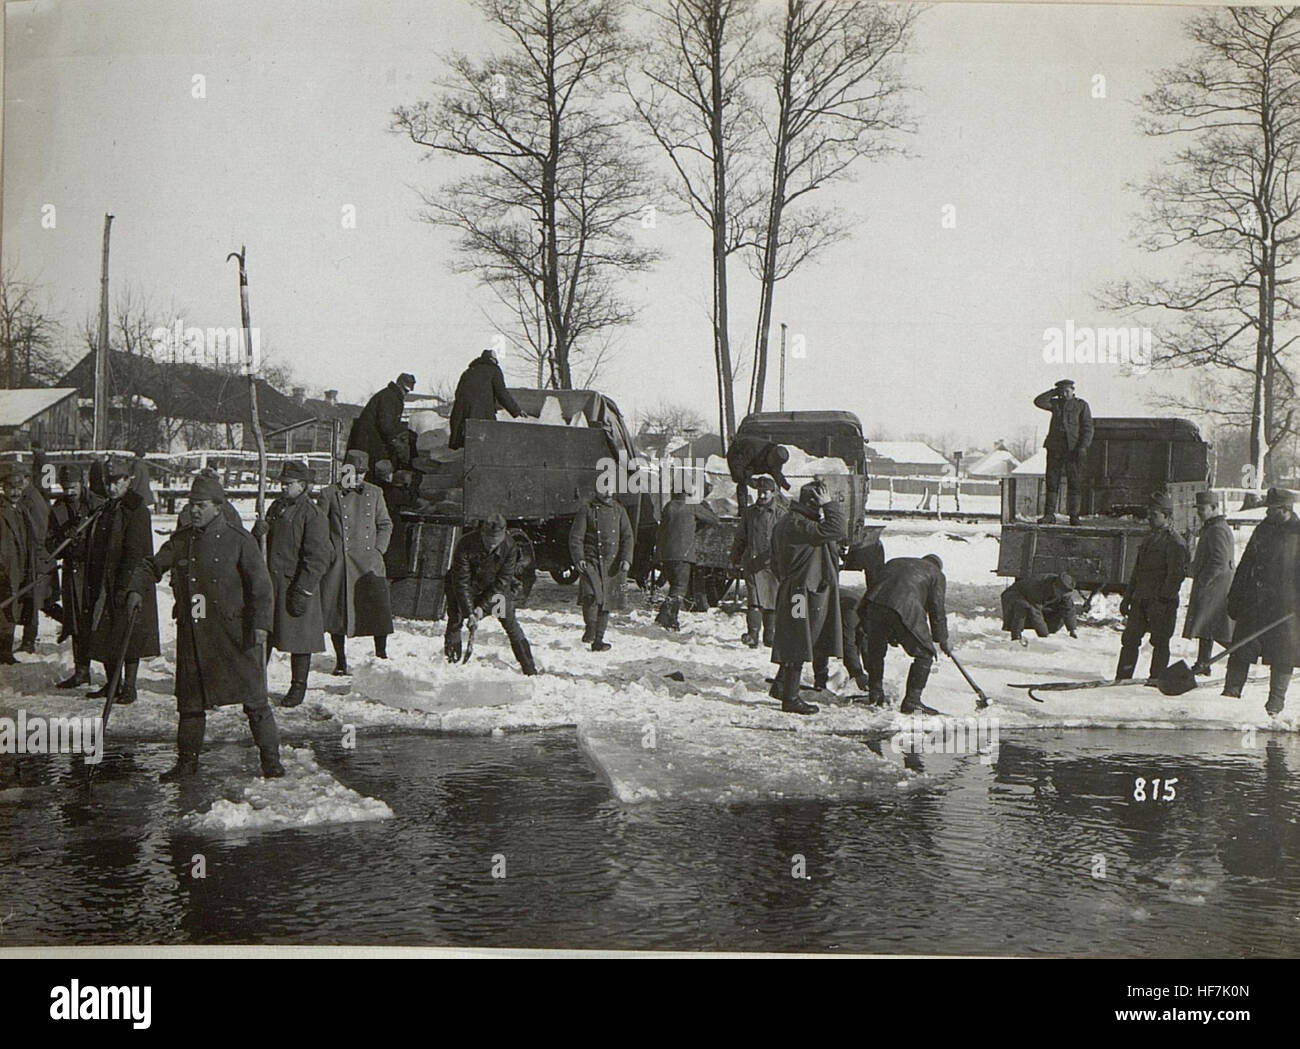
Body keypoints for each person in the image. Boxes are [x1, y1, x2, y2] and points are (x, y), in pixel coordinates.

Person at [127, 473, 284, 780]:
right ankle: (187, 764)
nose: (194, 511)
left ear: (218, 507)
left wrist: (261, 625)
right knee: (190, 704)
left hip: (234, 636)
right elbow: (152, 565)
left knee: (255, 702)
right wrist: (135, 588)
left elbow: (262, 588)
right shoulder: (183, 540)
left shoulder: (240, 540)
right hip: (195, 635)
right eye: (192, 505)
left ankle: (271, 761)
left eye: (200, 505)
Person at [85, 459, 161, 703]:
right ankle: (112, 684)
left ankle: (129, 686)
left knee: (129, 632)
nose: (112, 487)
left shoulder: (136, 509)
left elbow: (136, 551)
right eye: (109, 482)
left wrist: (127, 585)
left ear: (128, 480)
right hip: (106, 581)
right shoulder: (107, 509)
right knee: (108, 632)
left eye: (117, 481)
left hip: (130, 582)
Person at [257, 460, 332, 707]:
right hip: (272, 584)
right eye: (281, 484)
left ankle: (298, 686)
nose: (283, 488)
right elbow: (263, 544)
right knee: (263, 633)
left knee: (300, 639)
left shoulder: (312, 515)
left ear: (303, 485)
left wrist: (304, 589)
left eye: (288, 484)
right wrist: (259, 532)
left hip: (296, 585)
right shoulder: (277, 508)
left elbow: (318, 557)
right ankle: (255, 683)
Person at [770, 480, 844, 716]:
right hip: (799, 594)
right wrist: (830, 505)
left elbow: (774, 562)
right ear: (814, 502)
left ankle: (781, 687)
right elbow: (838, 529)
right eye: (820, 502)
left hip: (797, 588)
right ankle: (790, 698)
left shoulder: (788, 522)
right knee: (797, 640)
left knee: (798, 637)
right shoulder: (798, 524)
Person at [1223, 487, 1300, 715]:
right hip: (1254, 603)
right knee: (1240, 650)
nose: (1267, 513)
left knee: (1283, 656)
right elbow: (1246, 564)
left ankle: (1275, 707)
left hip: (1285, 607)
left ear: (1285, 510)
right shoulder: (1263, 529)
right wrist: (1235, 596)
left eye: (1272, 509)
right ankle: (1229, 698)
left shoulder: (1298, 533)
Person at [318, 449, 393, 674]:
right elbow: (319, 528)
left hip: (369, 562)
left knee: (378, 611)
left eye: (361, 473)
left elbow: (385, 524)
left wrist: (378, 550)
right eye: (353, 472)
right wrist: (331, 552)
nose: (357, 477)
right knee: (338, 613)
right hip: (340, 563)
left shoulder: (375, 493)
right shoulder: (329, 494)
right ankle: (340, 661)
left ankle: (381, 655)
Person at [444, 514, 537, 675]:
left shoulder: (510, 546)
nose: (491, 546)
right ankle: (451, 664)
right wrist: (469, 613)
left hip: (495, 590)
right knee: (455, 620)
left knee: (511, 624)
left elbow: (502, 582)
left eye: (496, 542)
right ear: (482, 534)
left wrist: (481, 608)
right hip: (464, 589)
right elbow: (461, 581)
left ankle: (529, 668)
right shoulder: (465, 543)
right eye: (488, 541)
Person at [860, 553, 951, 714]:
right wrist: (942, 639)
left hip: (874, 604)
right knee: (924, 654)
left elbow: (875, 584)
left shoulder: (895, 562)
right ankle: (912, 701)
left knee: (876, 650)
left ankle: (875, 692)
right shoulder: (936, 574)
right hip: (904, 607)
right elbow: (937, 609)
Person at [1116, 491, 1189, 682]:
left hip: (1161, 602)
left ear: (1167, 516)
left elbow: (1176, 575)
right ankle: (1123, 678)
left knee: (1160, 642)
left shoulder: (1175, 542)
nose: (1149, 517)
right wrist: (1127, 596)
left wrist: (1163, 599)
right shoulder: (1149, 537)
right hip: (1140, 599)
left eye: (1154, 514)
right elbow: (1137, 571)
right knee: (1130, 640)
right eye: (1149, 513)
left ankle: (1156, 679)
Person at [48, 466, 103, 687]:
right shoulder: (58, 509)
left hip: (96, 571)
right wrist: (65, 537)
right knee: (77, 621)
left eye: (74, 487)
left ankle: (112, 676)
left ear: (82, 484)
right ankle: (82, 671)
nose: (70, 491)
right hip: (73, 573)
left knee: (98, 620)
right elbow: (51, 544)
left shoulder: (98, 505)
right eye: (66, 487)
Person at [568, 486, 633, 652]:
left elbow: (627, 537)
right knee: (590, 596)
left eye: (611, 490)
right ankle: (590, 626)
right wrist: (579, 558)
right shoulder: (587, 510)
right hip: (592, 561)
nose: (608, 493)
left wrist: (626, 559)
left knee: (606, 602)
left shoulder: (619, 511)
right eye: (604, 490)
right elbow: (576, 538)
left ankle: (598, 640)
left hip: (612, 565)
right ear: (596, 490)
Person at [730, 475, 786, 648]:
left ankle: (770, 635)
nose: (761, 496)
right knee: (754, 601)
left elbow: (786, 539)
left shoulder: (781, 514)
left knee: (771, 600)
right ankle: (753, 634)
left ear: (773, 493)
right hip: (753, 563)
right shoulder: (750, 512)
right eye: (759, 492)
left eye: (765, 493)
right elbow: (741, 537)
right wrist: (735, 557)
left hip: (773, 565)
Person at [1183, 490, 1235, 675]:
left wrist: (1204, 580)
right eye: (1198, 509)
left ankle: (1242, 653)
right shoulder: (1212, 527)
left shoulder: (1218, 529)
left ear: (1214, 508)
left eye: (1203, 509)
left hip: (1215, 586)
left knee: (1217, 626)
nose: (1200, 512)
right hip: (1214, 584)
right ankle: (1203, 663)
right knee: (1207, 624)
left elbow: (1220, 561)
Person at [653, 489, 720, 630]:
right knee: (679, 588)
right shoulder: (691, 506)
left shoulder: (669, 506)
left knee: (674, 586)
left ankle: (667, 617)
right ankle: (668, 618)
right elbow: (714, 519)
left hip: (666, 554)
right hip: (683, 554)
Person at [1033, 378, 1093, 525]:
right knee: (1052, 482)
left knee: (1075, 482)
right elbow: (1038, 401)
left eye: (1067, 390)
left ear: (1073, 390)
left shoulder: (1081, 405)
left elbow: (1087, 427)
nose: (1065, 393)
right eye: (1062, 391)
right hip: (1055, 449)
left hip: (1073, 449)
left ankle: (1074, 516)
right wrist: (1053, 392)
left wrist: (1083, 446)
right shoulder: (1055, 404)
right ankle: (1049, 515)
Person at [449, 350, 526, 450]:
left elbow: (458, 393)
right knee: (486, 443)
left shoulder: (468, 371)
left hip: (460, 415)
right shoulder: (494, 370)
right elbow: (502, 393)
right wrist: (517, 411)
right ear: (492, 359)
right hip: (481, 413)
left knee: (468, 443)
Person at [349, 372, 417, 469]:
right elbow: (386, 425)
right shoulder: (389, 397)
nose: (406, 394)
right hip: (367, 440)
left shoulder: (392, 396)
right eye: (405, 390)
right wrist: (400, 437)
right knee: (367, 470)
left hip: (372, 438)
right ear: (399, 385)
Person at [812, 588, 872, 696]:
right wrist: (858, 674)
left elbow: (865, 645)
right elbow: (847, 644)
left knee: (858, 638)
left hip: (836, 604)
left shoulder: (869, 618)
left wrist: (872, 675)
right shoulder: (852, 616)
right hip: (822, 605)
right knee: (822, 640)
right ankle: (820, 680)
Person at [0, 462, 32, 665]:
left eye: (18, 488)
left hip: (18, 567)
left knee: (11, 610)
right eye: (11, 487)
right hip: (3, 568)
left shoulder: (22, 510)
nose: (15, 492)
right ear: (3, 487)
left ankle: (5, 651)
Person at [1000, 572, 1079, 645]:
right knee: (1022, 607)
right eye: (1061, 593)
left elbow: (1069, 609)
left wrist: (1072, 630)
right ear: (1055, 587)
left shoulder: (1064, 590)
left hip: (1032, 601)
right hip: (1014, 595)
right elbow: (1036, 612)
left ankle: (1047, 631)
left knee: (1058, 614)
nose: (1062, 596)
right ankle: (1016, 638)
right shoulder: (1039, 586)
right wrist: (1045, 636)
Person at [726, 435, 792, 494]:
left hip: (754, 461)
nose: (772, 465)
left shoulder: (777, 456)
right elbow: (737, 471)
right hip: (737, 453)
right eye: (772, 461)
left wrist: (786, 486)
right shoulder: (752, 449)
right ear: (770, 455)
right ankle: (743, 507)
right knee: (743, 479)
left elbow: (777, 473)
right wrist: (750, 482)